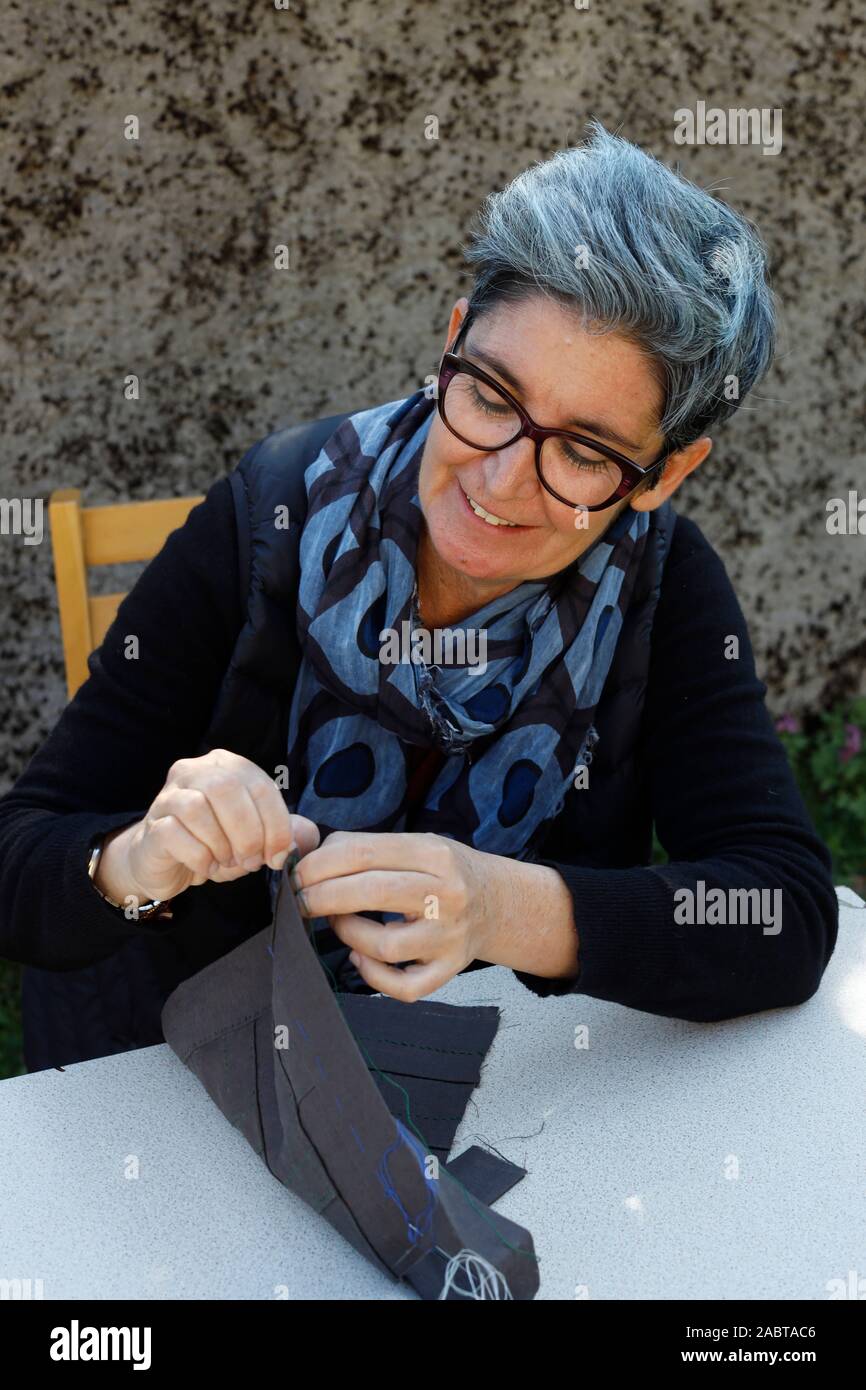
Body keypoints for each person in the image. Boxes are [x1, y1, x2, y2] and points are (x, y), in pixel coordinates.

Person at [0, 120, 837, 1073]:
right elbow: (23, 858)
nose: (502, 481)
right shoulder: (268, 516)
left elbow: (782, 910)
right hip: (182, 1057)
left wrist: (502, 908)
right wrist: (138, 861)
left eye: (584, 451)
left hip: (489, 1081)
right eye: (489, 395)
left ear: (663, 473)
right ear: (452, 342)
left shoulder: (663, 587)